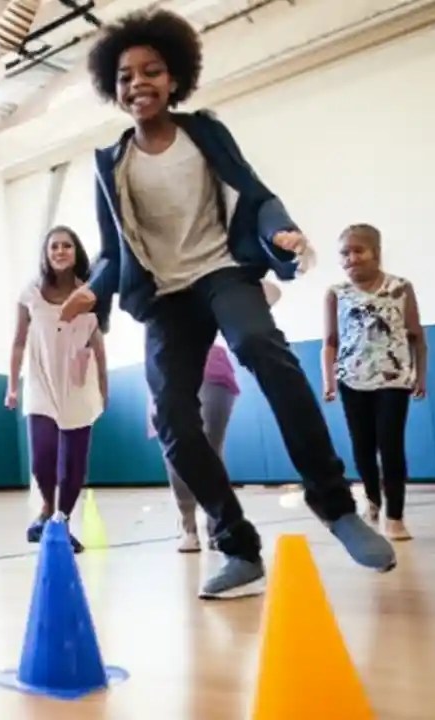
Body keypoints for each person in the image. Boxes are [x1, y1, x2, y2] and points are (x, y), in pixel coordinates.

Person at [60, 9, 395, 599]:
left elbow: (258, 196)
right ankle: (236, 545)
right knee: (172, 419)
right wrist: (93, 288)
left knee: (262, 346)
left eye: (152, 71)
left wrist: (283, 232)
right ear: (112, 89)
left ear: (174, 78)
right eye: (125, 76)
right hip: (164, 296)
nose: (138, 82)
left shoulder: (205, 132)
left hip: (222, 271)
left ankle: (336, 506)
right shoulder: (110, 164)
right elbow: (112, 251)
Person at [150, 280, 280, 553]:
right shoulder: (158, 283)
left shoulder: (211, 281)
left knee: (209, 448)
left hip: (213, 372)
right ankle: (187, 525)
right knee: (175, 450)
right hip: (165, 373)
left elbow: (270, 292)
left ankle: (218, 525)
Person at [323, 224, 426, 541]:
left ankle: (395, 516)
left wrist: (420, 375)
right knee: (362, 447)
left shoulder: (400, 288)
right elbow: (330, 341)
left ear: (375, 254)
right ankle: (372, 500)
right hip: (352, 380)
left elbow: (417, 336)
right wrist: (329, 379)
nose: (351, 258)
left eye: (358, 251)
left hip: (393, 379)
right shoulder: (336, 293)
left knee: (390, 445)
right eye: (345, 253)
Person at [7, 226, 108, 554]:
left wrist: (104, 390)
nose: (60, 251)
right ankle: (47, 508)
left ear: (76, 252)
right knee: (43, 455)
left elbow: (98, 346)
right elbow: (19, 341)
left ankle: (62, 519)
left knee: (73, 459)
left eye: (66, 246)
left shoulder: (90, 295)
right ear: (46, 254)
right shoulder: (31, 293)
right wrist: (12, 386)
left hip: (78, 381)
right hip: (40, 380)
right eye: (54, 247)